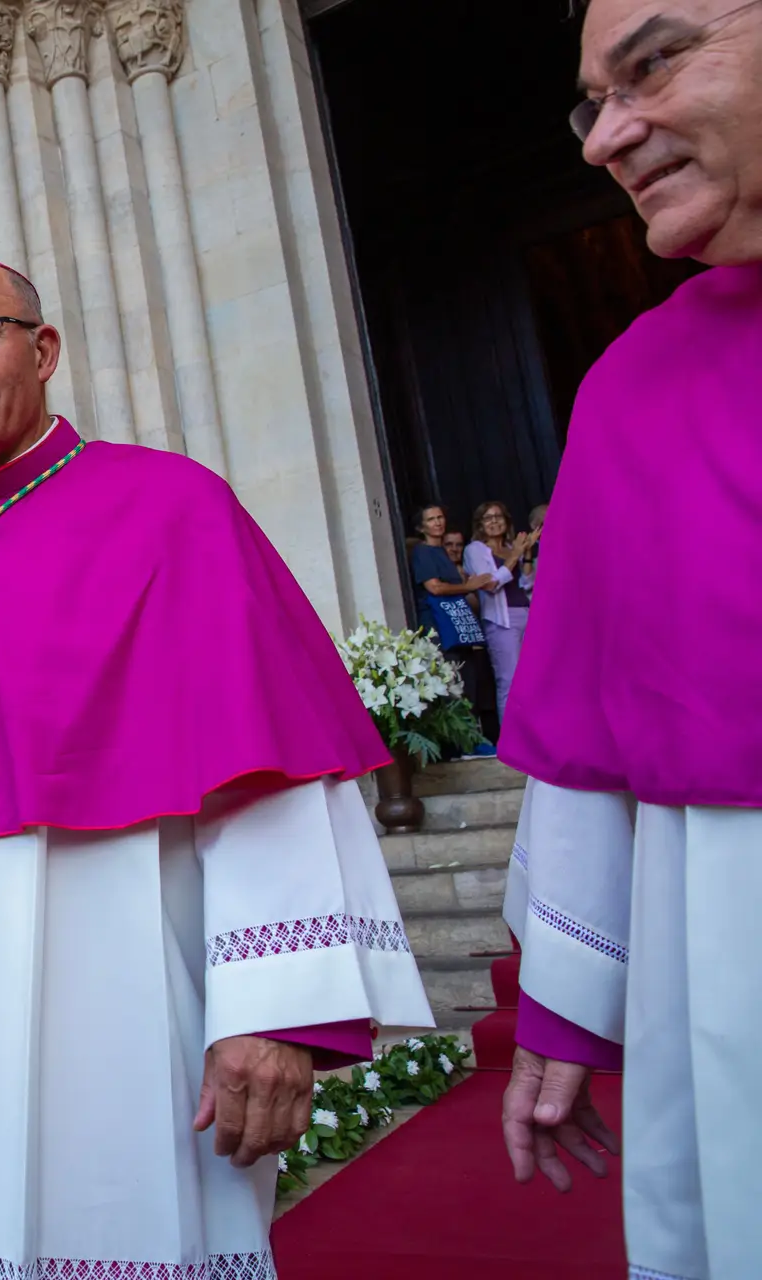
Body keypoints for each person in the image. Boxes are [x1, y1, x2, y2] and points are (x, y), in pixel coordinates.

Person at [0, 256, 432, 1277]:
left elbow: (267, 774)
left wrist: (272, 1008)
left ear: (44, 348)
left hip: (122, 990)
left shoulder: (175, 512)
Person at [497, 1, 762, 1276]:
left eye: (651, 66)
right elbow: (587, 729)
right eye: (592, 101)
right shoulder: (635, 385)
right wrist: (567, 992)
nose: (607, 135)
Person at [409, 505, 500, 748]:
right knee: (450, 684)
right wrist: (470, 586)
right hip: (438, 627)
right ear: (421, 527)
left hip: (457, 625)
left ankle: (473, 738)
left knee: (467, 682)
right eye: (431, 519)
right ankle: (461, 744)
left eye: (440, 517)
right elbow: (435, 587)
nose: (438, 522)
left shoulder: (441, 552)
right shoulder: (423, 552)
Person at [464, 501, 537, 721]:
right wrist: (515, 555)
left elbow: (527, 584)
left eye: (499, 517)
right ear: (480, 524)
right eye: (488, 518)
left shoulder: (510, 547)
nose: (494, 521)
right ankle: (512, 741)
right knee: (510, 680)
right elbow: (490, 585)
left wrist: (527, 554)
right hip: (501, 621)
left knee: (533, 679)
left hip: (526, 614)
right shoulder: (475, 549)